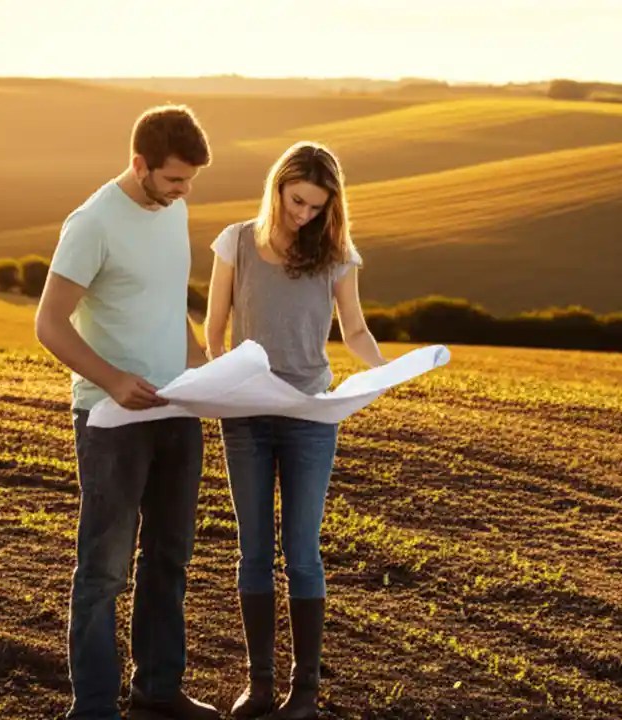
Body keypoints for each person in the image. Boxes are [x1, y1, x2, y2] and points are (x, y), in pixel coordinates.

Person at [35, 104, 219, 720]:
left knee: (169, 556)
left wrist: (208, 371)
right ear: (139, 164)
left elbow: (169, 305)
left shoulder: (176, 207)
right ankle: (92, 709)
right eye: (172, 179)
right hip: (111, 420)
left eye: (190, 181)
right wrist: (112, 381)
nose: (183, 191)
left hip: (177, 410)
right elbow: (49, 323)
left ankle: (158, 693)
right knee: (105, 570)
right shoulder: (91, 223)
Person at [204, 141, 387, 719]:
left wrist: (384, 372)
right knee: (253, 552)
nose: (304, 214)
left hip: (310, 416)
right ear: (277, 187)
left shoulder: (334, 254)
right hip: (246, 415)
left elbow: (353, 329)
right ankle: (260, 687)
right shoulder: (235, 241)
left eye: (316, 206)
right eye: (297, 200)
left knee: (301, 553)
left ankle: (302, 693)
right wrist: (223, 383)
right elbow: (215, 329)